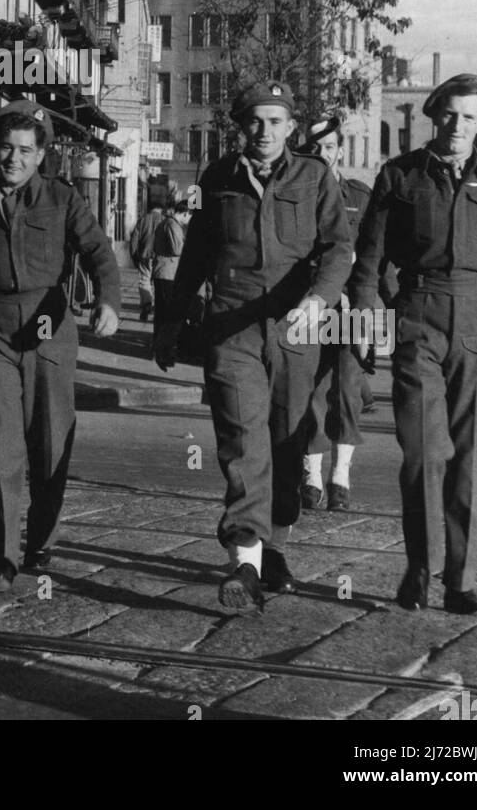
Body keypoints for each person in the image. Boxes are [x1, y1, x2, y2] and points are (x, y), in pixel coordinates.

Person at [154, 82, 351, 612]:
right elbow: (195, 256)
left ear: (290, 127)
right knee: (243, 439)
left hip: (297, 326)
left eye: (275, 121)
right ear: (241, 126)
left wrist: (320, 298)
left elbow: (338, 249)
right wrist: (169, 323)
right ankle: (245, 560)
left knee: (288, 438)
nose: (264, 132)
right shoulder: (219, 177)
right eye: (255, 122)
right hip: (232, 326)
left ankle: (276, 548)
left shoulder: (315, 177)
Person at [349, 72, 477, 614]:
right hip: (419, 318)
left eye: (471, 116)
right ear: (434, 114)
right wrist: (364, 320)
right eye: (450, 113)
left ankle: (462, 579)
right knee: (424, 454)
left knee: (474, 459)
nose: (459, 125)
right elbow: (370, 260)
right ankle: (420, 569)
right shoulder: (401, 176)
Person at [0, 100, 120, 591]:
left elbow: (99, 253)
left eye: (24, 149)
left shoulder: (63, 200)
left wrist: (108, 302)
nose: (12, 158)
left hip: (47, 328)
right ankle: (1, 557)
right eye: (5, 148)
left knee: (51, 442)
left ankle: (42, 539)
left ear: (42, 154)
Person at [300, 116, 374, 512]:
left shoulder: (360, 196)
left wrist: (381, 316)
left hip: (352, 305)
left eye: (329, 148)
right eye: (314, 149)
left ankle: (340, 475)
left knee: (347, 388)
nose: (322, 155)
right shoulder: (297, 192)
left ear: (340, 151)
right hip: (309, 303)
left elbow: (377, 259)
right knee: (310, 389)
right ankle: (311, 476)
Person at [151, 200, 187, 340]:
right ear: (185, 213)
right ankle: (162, 343)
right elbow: (177, 249)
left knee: (161, 310)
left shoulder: (165, 223)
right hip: (168, 273)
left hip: (162, 271)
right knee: (166, 311)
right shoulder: (173, 225)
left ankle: (158, 341)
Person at [129, 205, 162, 322]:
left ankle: (146, 305)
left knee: (144, 281)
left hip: (144, 256)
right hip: (160, 257)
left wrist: (134, 257)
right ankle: (158, 309)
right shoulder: (164, 220)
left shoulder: (142, 220)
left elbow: (134, 240)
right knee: (159, 283)